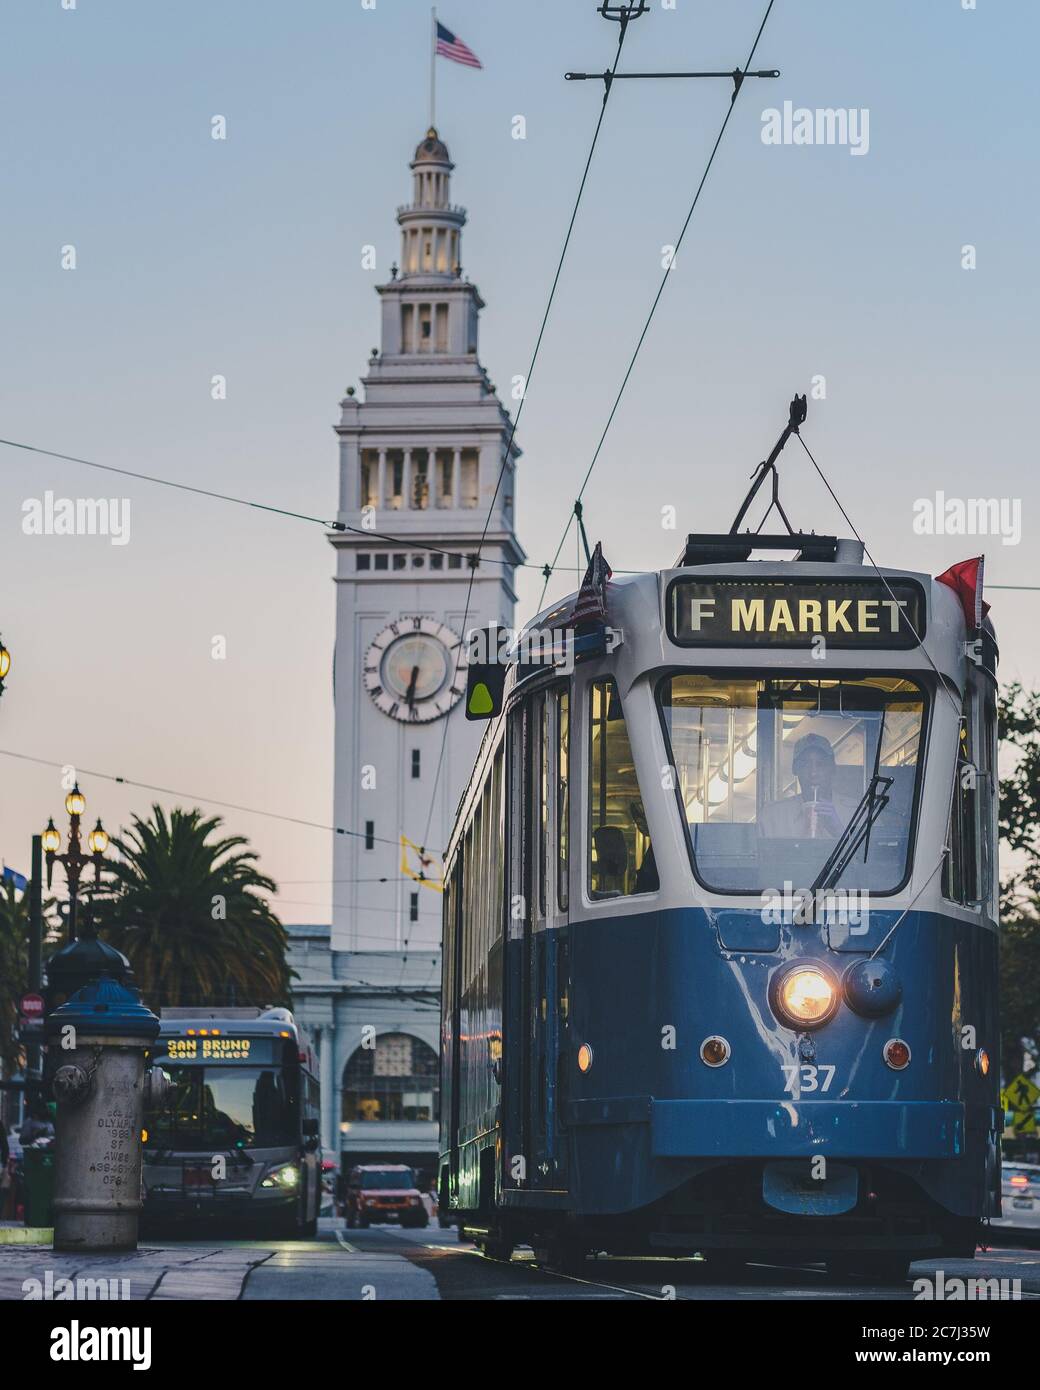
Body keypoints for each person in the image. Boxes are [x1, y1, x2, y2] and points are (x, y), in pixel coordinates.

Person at [759, 732, 858, 840]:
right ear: (795, 769)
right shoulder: (773, 816)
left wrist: (838, 831)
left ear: (833, 768)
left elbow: (867, 855)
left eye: (820, 764)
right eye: (805, 765)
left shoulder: (857, 813)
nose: (813, 773)